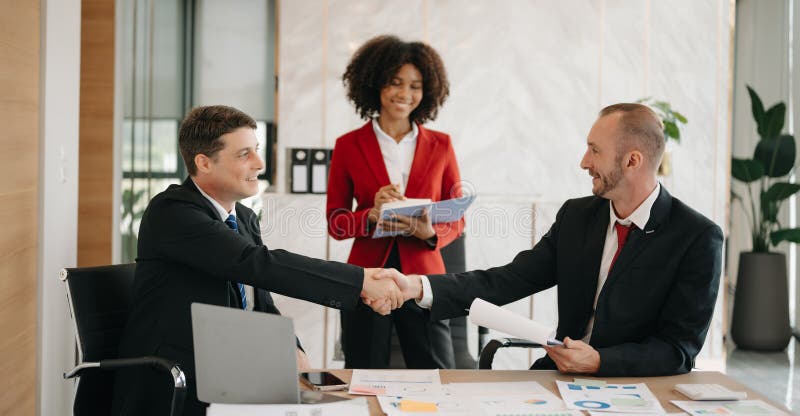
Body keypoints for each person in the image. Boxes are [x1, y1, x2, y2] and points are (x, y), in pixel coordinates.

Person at [389, 103, 724, 376]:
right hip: (560, 379)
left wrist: (599, 361)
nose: (584, 162)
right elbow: (506, 281)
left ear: (632, 160)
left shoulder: (696, 238)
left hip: (637, 388)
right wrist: (417, 287)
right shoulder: (577, 217)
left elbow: (678, 350)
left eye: (594, 150)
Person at [111, 105, 404, 416]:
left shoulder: (244, 218)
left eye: (257, 150)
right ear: (204, 162)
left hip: (232, 371)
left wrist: (293, 348)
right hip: (177, 382)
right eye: (244, 154)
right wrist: (360, 282)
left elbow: (260, 299)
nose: (260, 164)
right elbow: (256, 263)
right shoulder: (172, 213)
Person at [326, 35, 464, 369]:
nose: (405, 94)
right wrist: (370, 215)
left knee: (436, 373)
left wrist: (430, 232)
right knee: (363, 372)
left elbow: (457, 215)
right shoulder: (348, 145)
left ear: (427, 90)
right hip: (367, 276)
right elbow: (336, 221)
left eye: (415, 86)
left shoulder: (441, 145)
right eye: (395, 83)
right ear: (375, 84)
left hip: (424, 279)